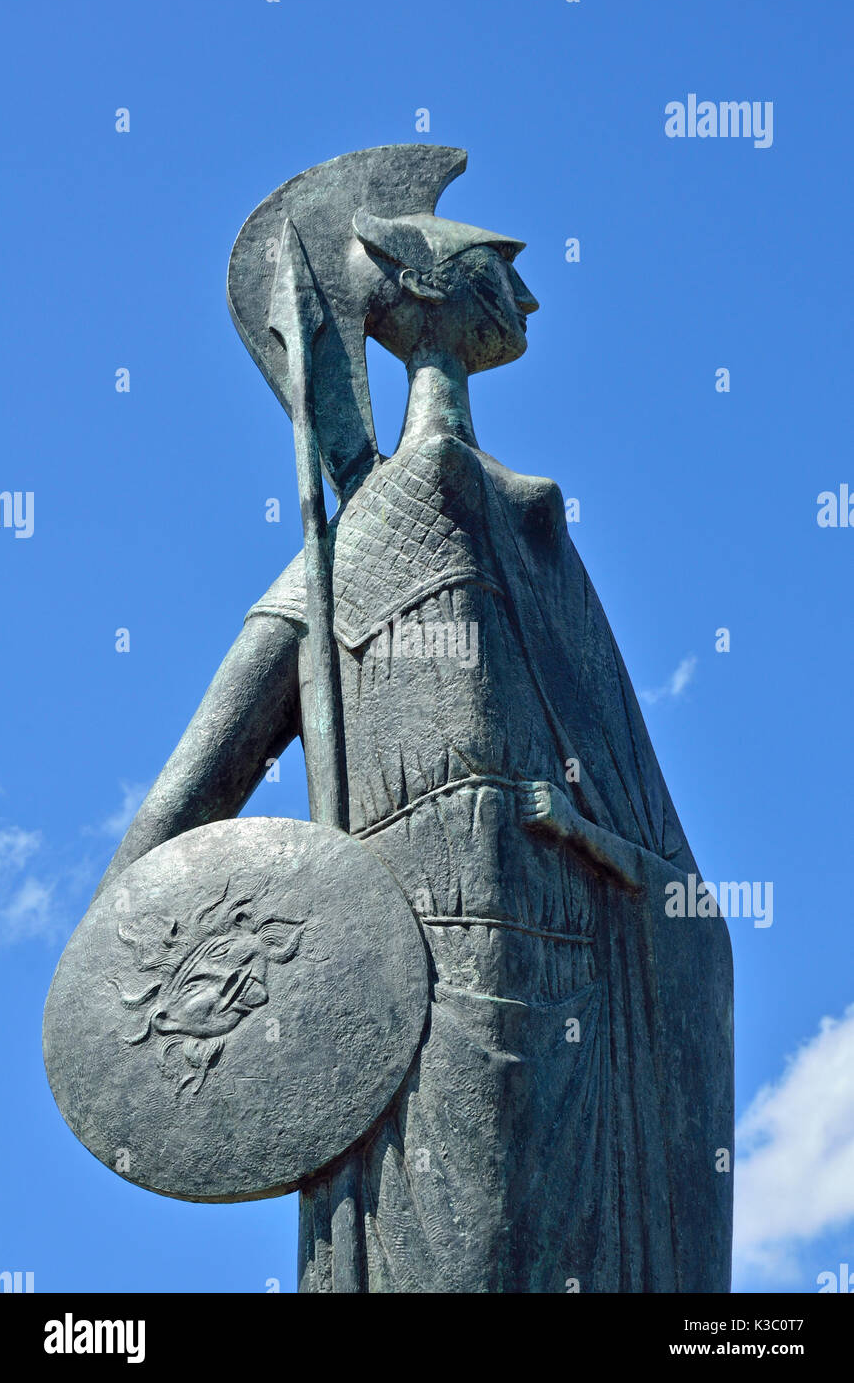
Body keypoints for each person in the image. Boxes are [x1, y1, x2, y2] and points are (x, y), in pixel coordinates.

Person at [96, 202, 732, 1293]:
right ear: (417, 284)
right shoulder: (345, 549)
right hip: (411, 993)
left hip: (571, 964)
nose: (524, 296)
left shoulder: (527, 527)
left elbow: (643, 826)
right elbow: (178, 812)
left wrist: (607, 856)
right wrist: (151, 998)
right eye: (495, 269)